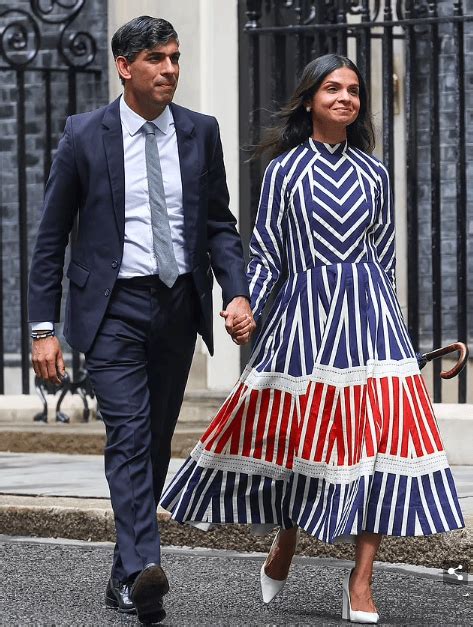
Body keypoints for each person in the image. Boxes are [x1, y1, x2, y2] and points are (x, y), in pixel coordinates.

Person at [160, 54, 464, 624]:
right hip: (305, 320)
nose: (346, 97)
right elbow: (267, 253)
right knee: (305, 436)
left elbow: (383, 259)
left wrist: (399, 335)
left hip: (371, 320)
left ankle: (361, 581)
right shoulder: (284, 172)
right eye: (332, 88)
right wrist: (245, 304)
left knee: (381, 442)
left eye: (353, 90)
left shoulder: (375, 175)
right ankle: (287, 536)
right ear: (309, 100)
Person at [28, 16, 255, 625]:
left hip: (178, 307)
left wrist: (236, 293)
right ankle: (145, 571)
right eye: (156, 58)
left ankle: (124, 575)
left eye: (175, 57)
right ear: (125, 67)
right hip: (112, 310)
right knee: (128, 437)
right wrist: (42, 329)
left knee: (152, 444)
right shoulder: (84, 135)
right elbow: (50, 239)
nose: (170, 69)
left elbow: (219, 225)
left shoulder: (201, 132)